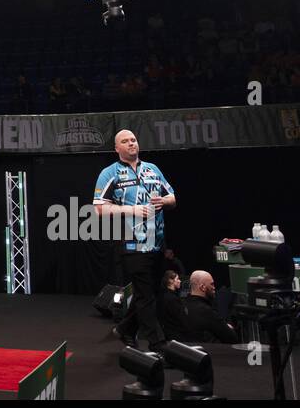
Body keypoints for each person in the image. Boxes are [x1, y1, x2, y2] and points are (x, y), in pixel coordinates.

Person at [94, 128, 176, 350]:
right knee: (145, 295)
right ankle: (157, 344)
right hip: (131, 243)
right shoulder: (109, 173)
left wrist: (164, 202)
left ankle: (124, 329)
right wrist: (131, 210)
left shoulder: (153, 169)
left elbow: (172, 196)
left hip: (157, 242)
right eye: (125, 141)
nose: (131, 144)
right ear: (117, 148)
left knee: (151, 293)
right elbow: (99, 208)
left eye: (134, 140)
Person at [181, 271, 239, 344]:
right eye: (212, 284)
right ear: (203, 287)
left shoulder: (181, 306)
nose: (214, 288)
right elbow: (232, 338)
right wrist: (229, 328)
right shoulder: (206, 311)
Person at [158, 270, 189, 342]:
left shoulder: (164, 296)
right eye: (177, 279)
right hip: (175, 336)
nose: (180, 281)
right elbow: (180, 319)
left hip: (168, 334)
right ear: (170, 281)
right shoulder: (172, 299)